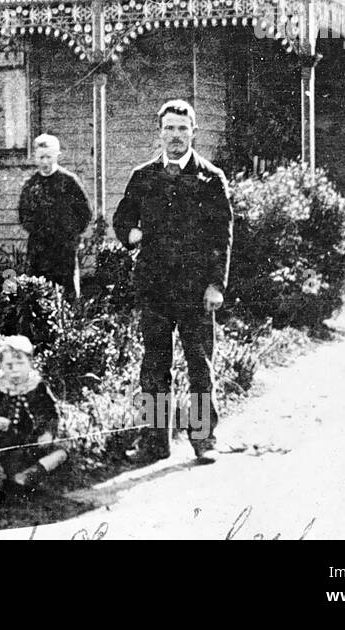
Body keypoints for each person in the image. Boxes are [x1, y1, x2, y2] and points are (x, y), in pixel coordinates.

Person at [113, 99, 233, 464]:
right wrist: (131, 234)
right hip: (154, 288)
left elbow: (222, 237)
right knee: (153, 365)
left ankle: (202, 439)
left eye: (183, 128)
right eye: (169, 128)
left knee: (199, 363)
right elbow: (122, 218)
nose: (176, 135)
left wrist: (216, 285)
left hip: (196, 291)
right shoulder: (144, 176)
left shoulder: (210, 178)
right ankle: (155, 442)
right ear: (160, 132)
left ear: (194, 131)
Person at [0, 335, 68, 510]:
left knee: (61, 453)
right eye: (9, 366)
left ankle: (25, 477)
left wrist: (48, 433)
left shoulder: (38, 387)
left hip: (31, 445)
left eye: (20, 364)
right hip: (4, 445)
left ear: (30, 363)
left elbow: (52, 414)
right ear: (1, 366)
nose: (15, 371)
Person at [17, 134, 93, 300]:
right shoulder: (31, 185)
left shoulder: (69, 182)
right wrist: (40, 231)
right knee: (38, 293)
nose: (45, 162)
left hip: (63, 249)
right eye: (41, 157)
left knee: (66, 293)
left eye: (49, 157)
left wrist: (70, 235)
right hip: (39, 249)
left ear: (57, 155)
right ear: (35, 157)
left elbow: (85, 212)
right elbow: (24, 215)